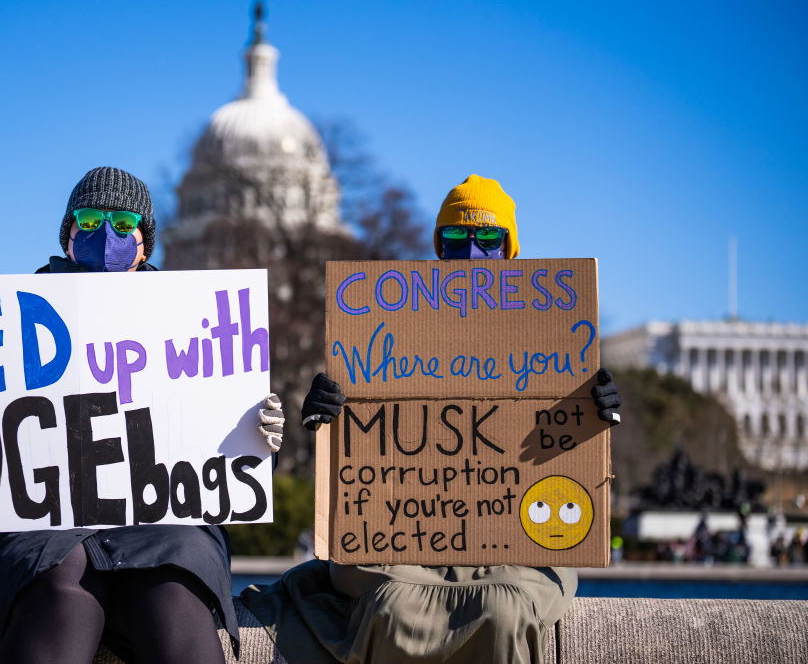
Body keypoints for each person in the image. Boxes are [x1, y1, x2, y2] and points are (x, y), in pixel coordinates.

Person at [0, 167, 285, 664]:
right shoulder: (6, 320)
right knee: (59, 595)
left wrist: (262, 438)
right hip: (36, 525)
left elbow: (219, 464)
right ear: (68, 236)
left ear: (145, 243)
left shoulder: (196, 326)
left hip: (163, 523)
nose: (103, 233)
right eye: (88, 220)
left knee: (174, 596)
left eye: (121, 221)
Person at [241, 174, 622, 664]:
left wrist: (596, 414)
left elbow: (563, 458)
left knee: (505, 606)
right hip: (403, 545)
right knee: (393, 603)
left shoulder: (553, 336)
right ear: (438, 247)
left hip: (514, 547)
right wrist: (327, 418)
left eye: (488, 238)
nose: (472, 250)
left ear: (510, 249)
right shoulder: (385, 323)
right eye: (456, 238)